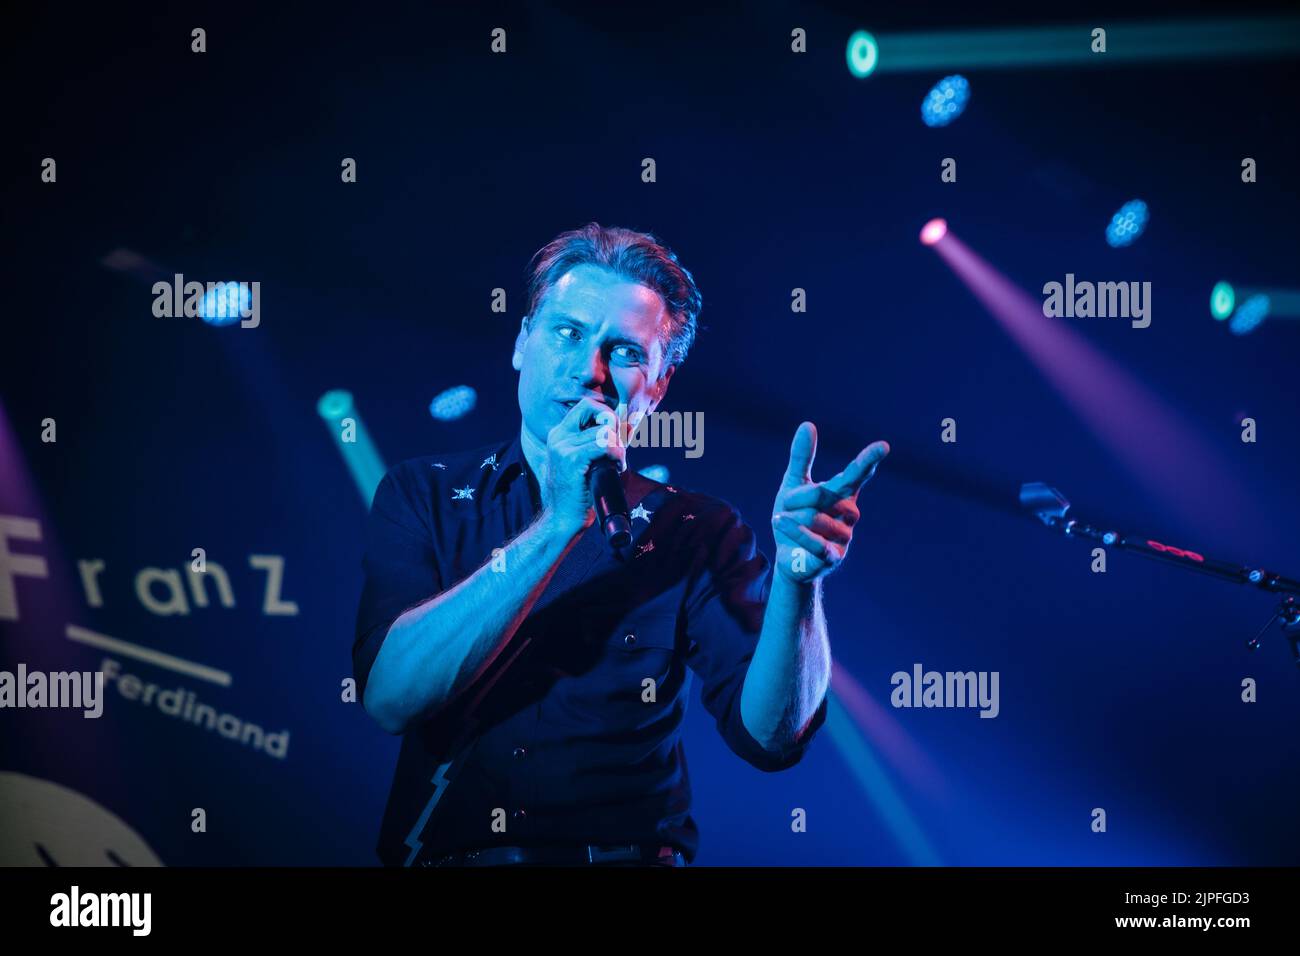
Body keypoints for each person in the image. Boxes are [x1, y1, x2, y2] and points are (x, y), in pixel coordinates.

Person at [353, 222, 888, 866]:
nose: (591, 372)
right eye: (568, 333)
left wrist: (801, 582)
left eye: (626, 353)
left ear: (658, 388)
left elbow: (772, 739)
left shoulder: (698, 530)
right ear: (522, 344)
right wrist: (558, 524)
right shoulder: (425, 493)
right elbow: (389, 697)